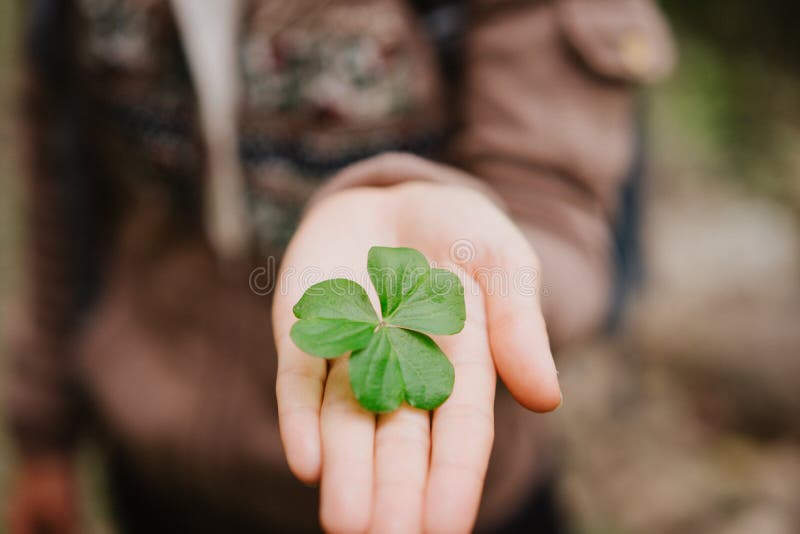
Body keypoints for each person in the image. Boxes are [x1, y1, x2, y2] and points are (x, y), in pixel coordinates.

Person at [4, 0, 675, 532]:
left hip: (438, 493)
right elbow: (65, 183)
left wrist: (488, 258)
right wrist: (45, 426)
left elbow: (556, 211)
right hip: (154, 470)